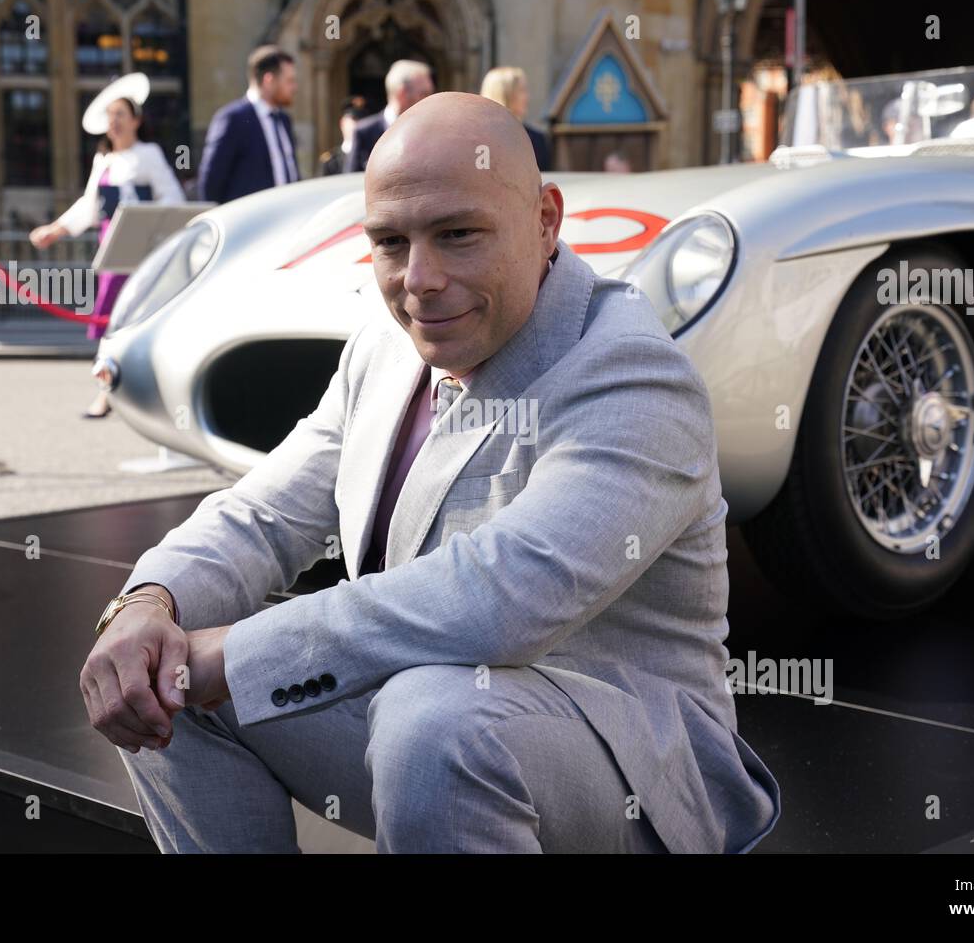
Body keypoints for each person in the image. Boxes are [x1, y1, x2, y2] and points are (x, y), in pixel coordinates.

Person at [81, 92, 781, 854]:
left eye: (458, 234)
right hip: (432, 726)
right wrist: (150, 604)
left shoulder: (633, 375)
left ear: (546, 220)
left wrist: (239, 655)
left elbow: (505, 593)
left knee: (433, 716)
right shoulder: (385, 349)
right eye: (391, 241)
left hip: (634, 773)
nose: (420, 278)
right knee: (157, 679)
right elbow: (266, 512)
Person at [29, 73, 182, 418]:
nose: (114, 122)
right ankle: (106, 390)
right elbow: (89, 205)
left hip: (143, 253)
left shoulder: (149, 155)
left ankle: (147, 391)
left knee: (140, 319)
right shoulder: (104, 161)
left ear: (136, 120)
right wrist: (56, 229)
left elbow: (171, 197)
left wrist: (143, 219)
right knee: (110, 320)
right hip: (112, 252)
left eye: (121, 115)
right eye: (110, 116)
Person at [199, 46, 300, 203]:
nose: (295, 88)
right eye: (289, 81)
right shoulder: (233, 119)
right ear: (268, 80)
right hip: (251, 216)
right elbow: (211, 183)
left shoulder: (284, 120)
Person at [343, 60, 434, 173]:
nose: (430, 100)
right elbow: (350, 178)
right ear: (402, 94)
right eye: (424, 94)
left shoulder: (432, 131)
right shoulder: (364, 132)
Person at [479, 66, 550, 170]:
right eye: (522, 90)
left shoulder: (536, 140)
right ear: (504, 94)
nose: (527, 97)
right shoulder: (478, 139)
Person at [319, 96, 366, 175]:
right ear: (342, 123)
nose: (357, 125)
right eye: (353, 120)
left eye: (361, 121)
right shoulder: (330, 161)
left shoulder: (369, 158)